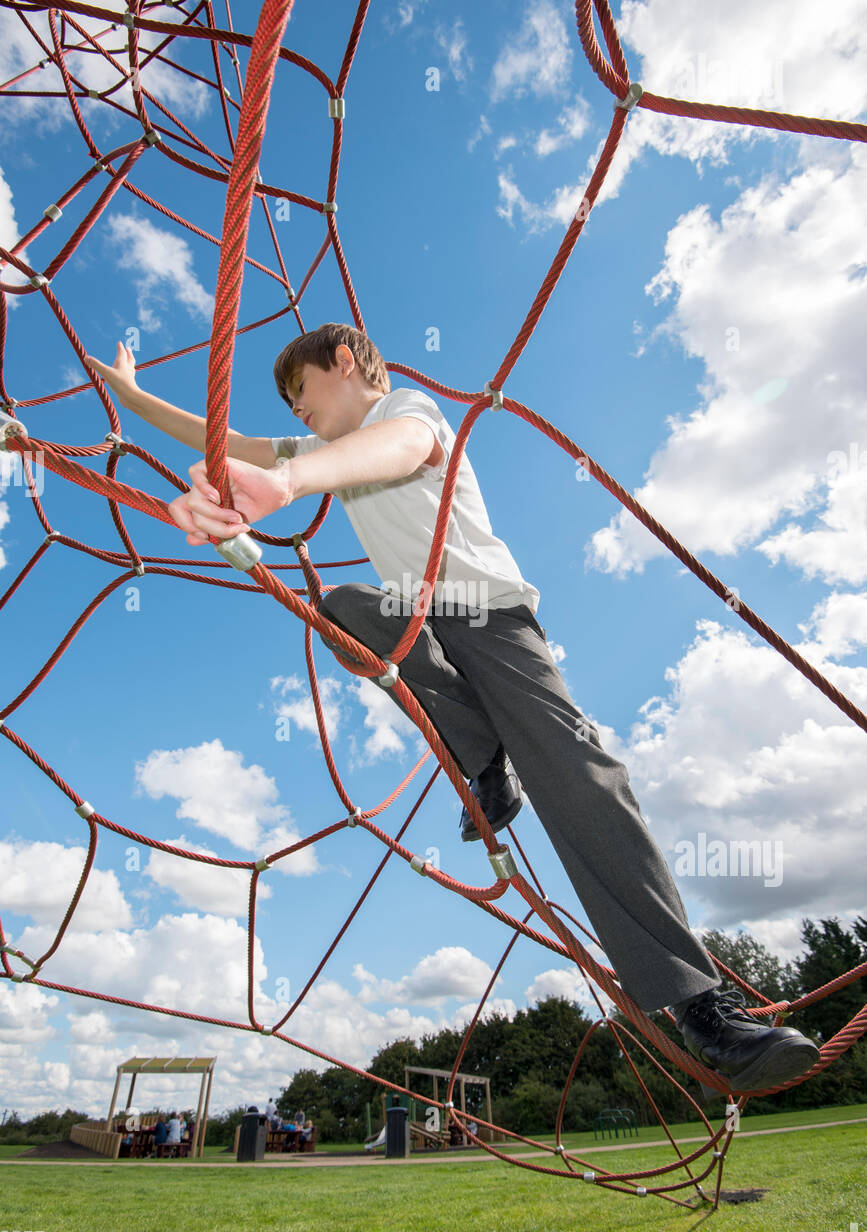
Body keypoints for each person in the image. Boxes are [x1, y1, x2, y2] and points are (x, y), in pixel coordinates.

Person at [83, 327, 820, 1096]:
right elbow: (226, 439)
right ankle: (484, 758)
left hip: (489, 614)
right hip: (417, 614)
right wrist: (133, 399)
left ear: (344, 362)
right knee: (343, 605)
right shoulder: (318, 447)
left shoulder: (403, 409)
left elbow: (403, 447)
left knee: (583, 777)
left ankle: (702, 1009)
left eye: (300, 387)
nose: (296, 408)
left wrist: (294, 483)